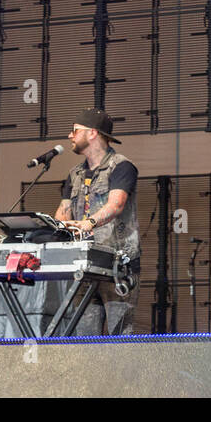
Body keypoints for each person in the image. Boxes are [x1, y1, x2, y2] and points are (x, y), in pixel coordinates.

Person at [52, 108, 139, 335]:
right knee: (83, 338)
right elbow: (63, 212)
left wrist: (87, 223)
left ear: (92, 133)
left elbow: (116, 205)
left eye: (75, 131)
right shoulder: (74, 174)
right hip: (83, 265)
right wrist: (58, 227)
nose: (70, 136)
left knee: (119, 337)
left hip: (117, 265)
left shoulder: (121, 166)